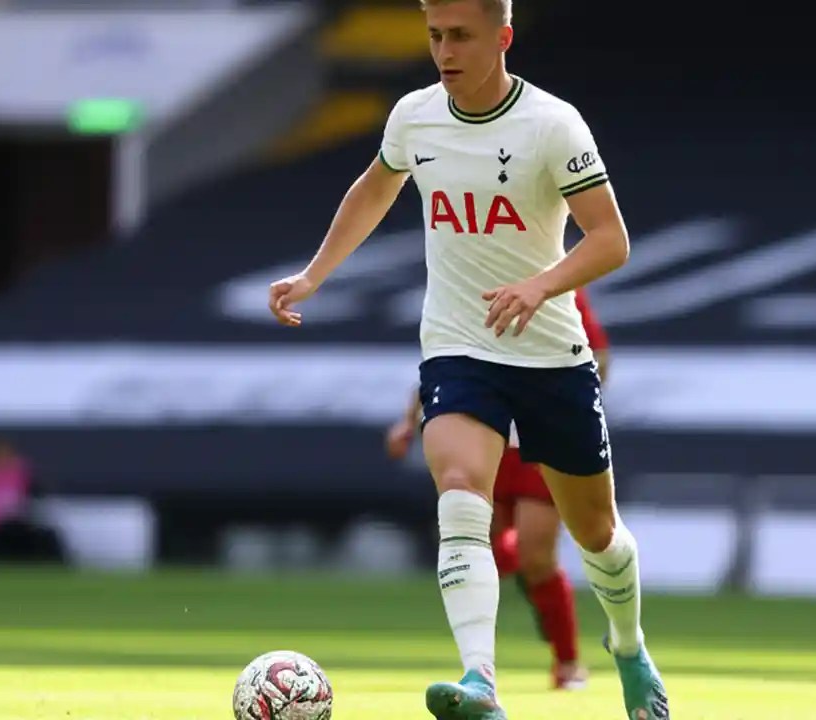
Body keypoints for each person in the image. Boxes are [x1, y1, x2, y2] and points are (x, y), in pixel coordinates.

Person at [266, 0, 668, 717]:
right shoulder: (415, 116)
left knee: (597, 534)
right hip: (459, 345)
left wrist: (540, 286)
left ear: (502, 37)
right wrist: (314, 275)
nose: (443, 51)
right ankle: (480, 679)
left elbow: (612, 239)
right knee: (459, 491)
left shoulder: (553, 124)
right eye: (434, 36)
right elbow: (374, 189)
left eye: (459, 36)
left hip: (550, 352)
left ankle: (630, 649)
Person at [385, 287, 611, 691]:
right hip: (483, 432)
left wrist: (573, 406)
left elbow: (598, 356)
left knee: (535, 554)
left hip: (537, 436)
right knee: (482, 544)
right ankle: (481, 667)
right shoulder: (473, 276)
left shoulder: (558, 284)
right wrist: (409, 418)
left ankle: (567, 662)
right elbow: (447, 362)